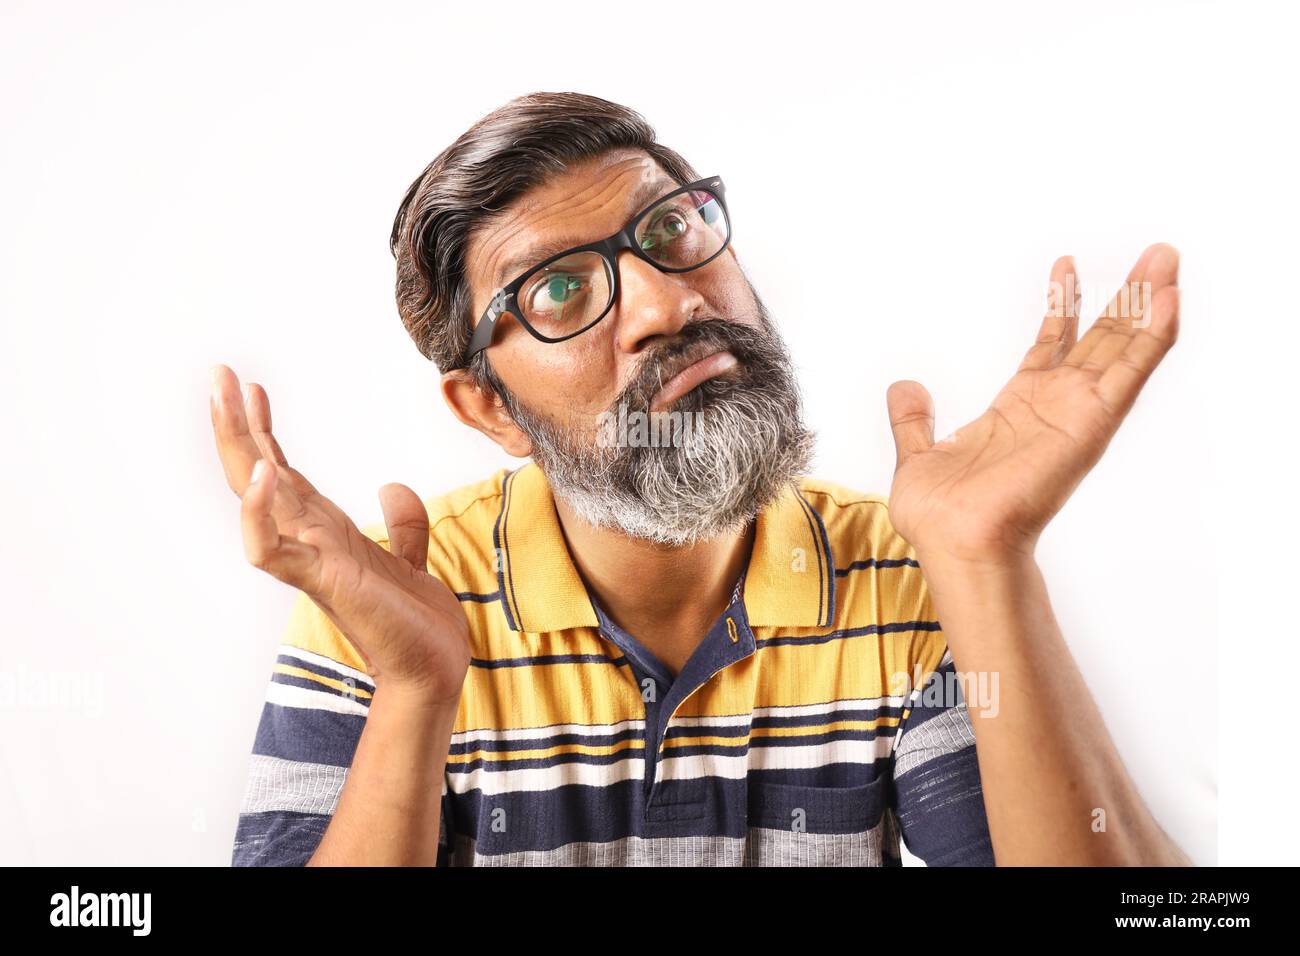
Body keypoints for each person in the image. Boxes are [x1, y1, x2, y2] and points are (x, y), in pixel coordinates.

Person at [214, 91, 1190, 866]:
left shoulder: (909, 572)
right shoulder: (388, 608)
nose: (664, 302)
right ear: (490, 408)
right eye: (559, 289)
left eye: (672, 228)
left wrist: (987, 561)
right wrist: (415, 690)